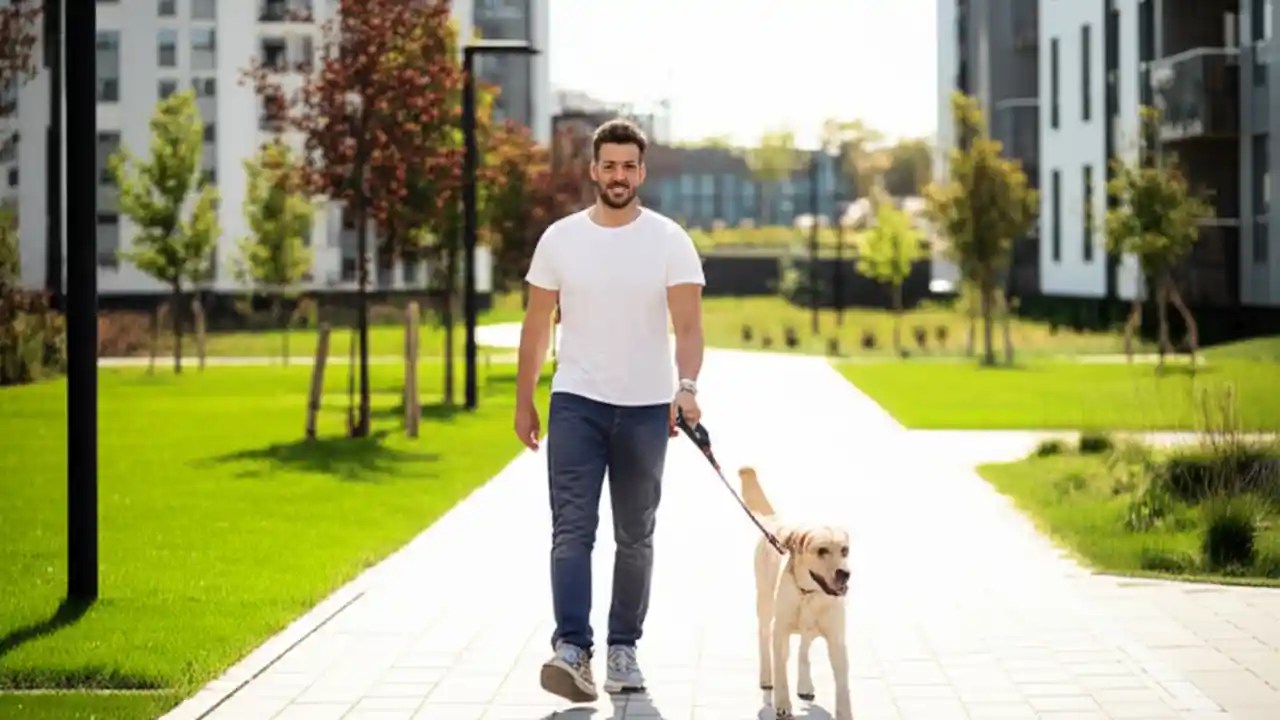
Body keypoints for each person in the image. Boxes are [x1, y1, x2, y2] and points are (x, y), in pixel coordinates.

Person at [513, 118, 706, 703]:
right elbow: (535, 324)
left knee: (635, 535)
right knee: (572, 530)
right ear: (593, 170)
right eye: (609, 165)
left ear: (641, 173)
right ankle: (572, 650)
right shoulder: (560, 240)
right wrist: (524, 399)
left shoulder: (670, 239)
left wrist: (687, 385)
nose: (619, 176)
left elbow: (690, 327)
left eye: (629, 166)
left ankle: (623, 649)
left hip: (648, 408)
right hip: (576, 402)